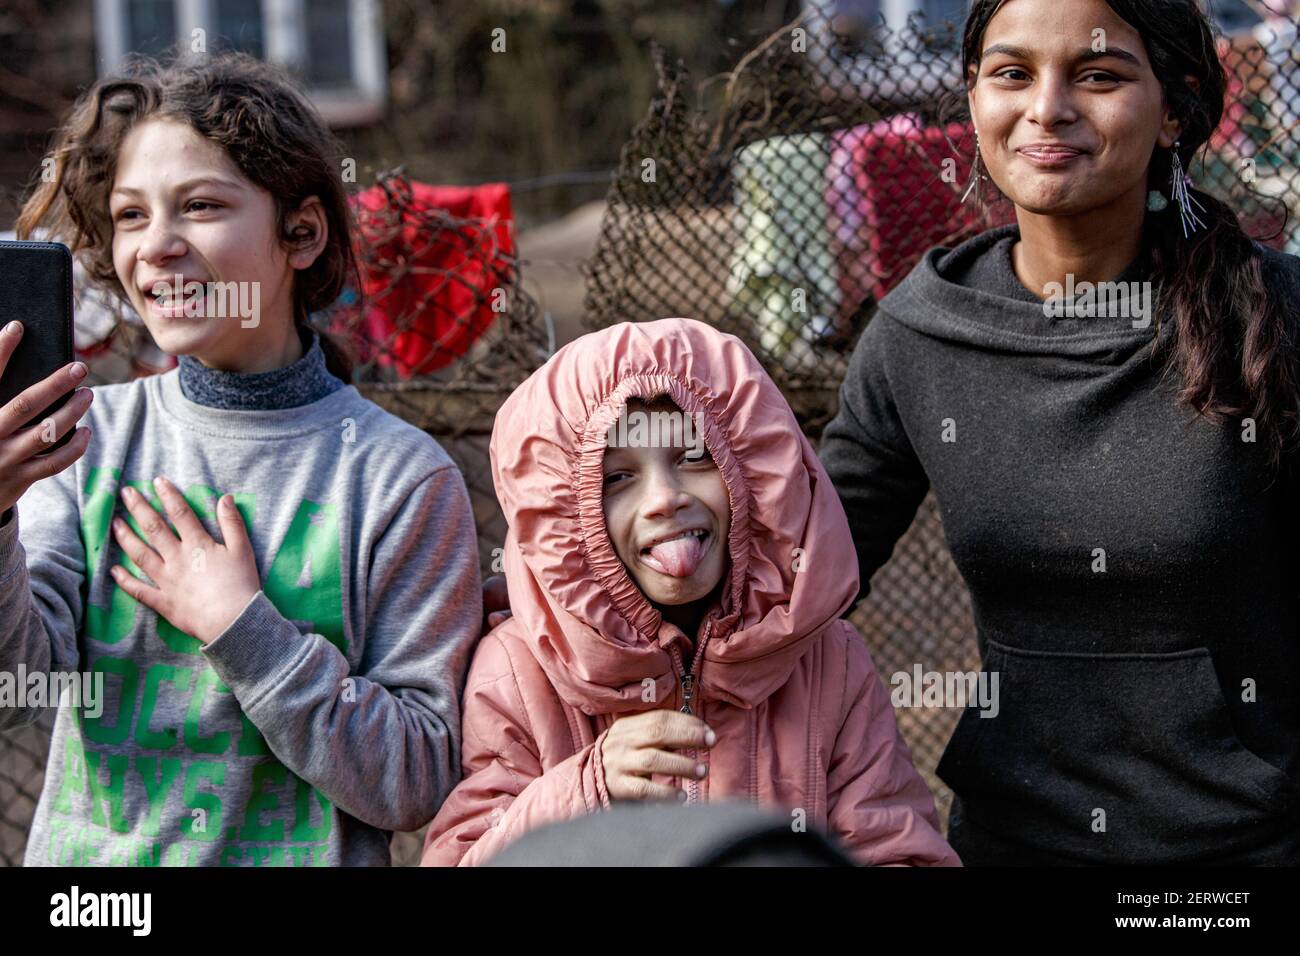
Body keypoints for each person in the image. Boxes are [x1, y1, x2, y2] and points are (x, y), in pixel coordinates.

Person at [820, 0, 1300, 864]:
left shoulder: (1276, 317)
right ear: (972, 100)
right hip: (1013, 845)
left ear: (1177, 107)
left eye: (1099, 74)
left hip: (1250, 853)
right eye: (1012, 74)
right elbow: (799, 578)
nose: (1047, 108)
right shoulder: (919, 333)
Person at [0, 51, 482, 866]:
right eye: (129, 215)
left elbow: (418, 779)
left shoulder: (401, 479)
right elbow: (16, 689)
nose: (157, 246)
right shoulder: (84, 442)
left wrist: (242, 628)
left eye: (199, 205)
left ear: (301, 233)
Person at [421, 317, 959, 867]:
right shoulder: (517, 672)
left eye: (692, 457)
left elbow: (898, 850)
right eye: (617, 478)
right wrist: (583, 793)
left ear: (750, 468)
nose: (664, 498)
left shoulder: (829, 663)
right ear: (565, 514)